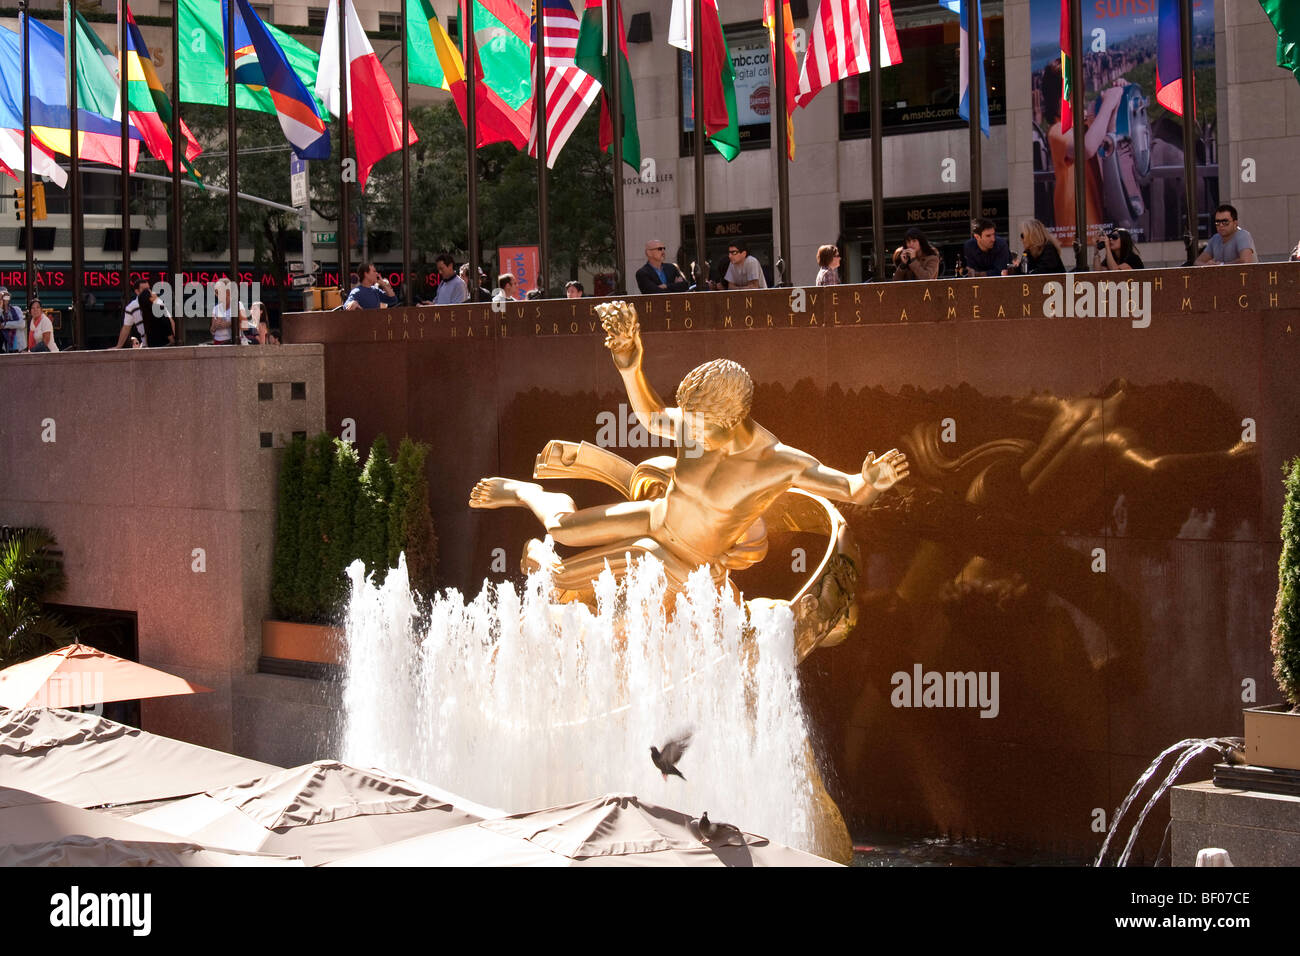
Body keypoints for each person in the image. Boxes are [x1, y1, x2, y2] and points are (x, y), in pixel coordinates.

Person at [469, 299, 909, 595]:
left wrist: (871, 480)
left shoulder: (777, 463)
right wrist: (630, 364)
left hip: (686, 559)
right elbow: (651, 415)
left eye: (697, 426)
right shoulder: (695, 425)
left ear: (731, 420)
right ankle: (528, 493)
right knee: (562, 527)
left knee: (561, 576)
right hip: (655, 516)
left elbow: (850, 491)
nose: (686, 430)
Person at [1042, 60, 1126, 248]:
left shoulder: (1085, 125)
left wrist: (1118, 97)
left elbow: (1108, 134)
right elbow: (1086, 149)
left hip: (1096, 227)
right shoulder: (1057, 131)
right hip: (1076, 233)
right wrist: (1108, 103)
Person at [112, 278, 154, 348]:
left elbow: (169, 321)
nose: (148, 291)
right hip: (147, 345)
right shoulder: (132, 307)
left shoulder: (156, 302)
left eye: (148, 289)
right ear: (137, 291)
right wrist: (118, 346)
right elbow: (126, 328)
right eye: (144, 289)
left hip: (162, 343)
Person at [210, 279, 247, 344]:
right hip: (218, 342)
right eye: (217, 292)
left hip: (232, 341)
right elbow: (212, 330)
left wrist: (229, 324)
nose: (218, 295)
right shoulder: (216, 308)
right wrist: (215, 326)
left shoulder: (238, 305)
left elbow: (245, 326)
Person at [0, 287, 25, 353]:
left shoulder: (16, 309)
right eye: (2, 297)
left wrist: (4, 325)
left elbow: (22, 324)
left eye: (6, 296)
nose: (4, 299)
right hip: (5, 348)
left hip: (19, 347)